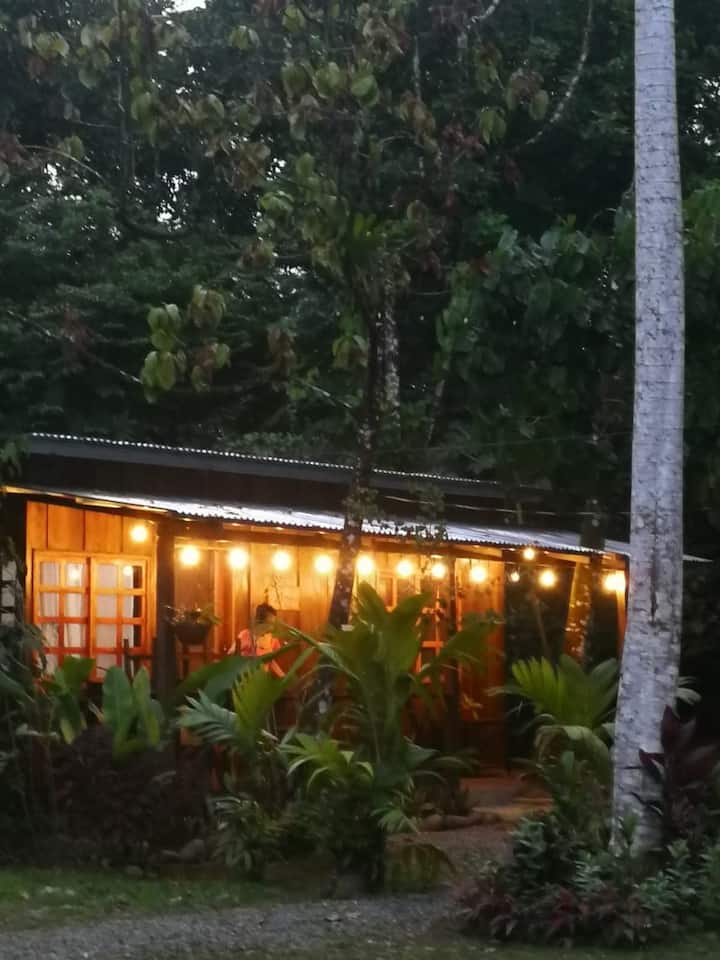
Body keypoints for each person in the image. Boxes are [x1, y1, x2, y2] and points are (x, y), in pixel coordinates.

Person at [236, 602, 285, 676]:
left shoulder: (272, 640)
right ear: (259, 621)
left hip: (261, 679)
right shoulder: (245, 635)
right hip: (246, 678)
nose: (272, 627)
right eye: (269, 623)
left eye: (273, 624)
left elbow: (271, 661)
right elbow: (233, 657)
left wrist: (283, 676)